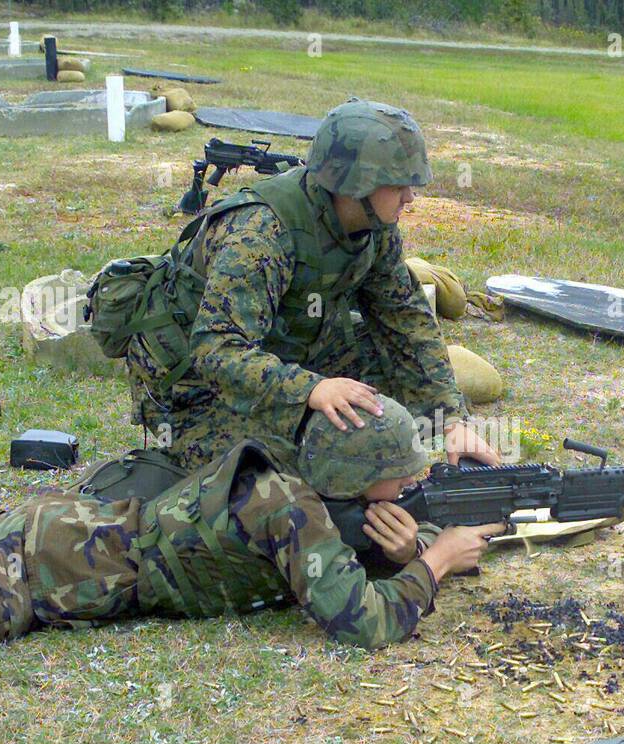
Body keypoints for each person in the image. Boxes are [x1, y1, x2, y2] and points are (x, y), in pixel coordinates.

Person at [0, 398, 503, 672]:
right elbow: (361, 623)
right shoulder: (293, 508)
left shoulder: (295, 481)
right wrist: (435, 564)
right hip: (42, 573)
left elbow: (332, 562)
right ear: (357, 475)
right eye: (400, 474)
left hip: (53, 521)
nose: (414, 481)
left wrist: (403, 552)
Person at [126, 97, 500, 473]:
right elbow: (216, 350)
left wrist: (452, 421)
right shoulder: (260, 233)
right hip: (197, 392)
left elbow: (406, 320)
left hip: (283, 357)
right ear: (356, 185)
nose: (410, 196)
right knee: (289, 471)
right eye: (398, 183)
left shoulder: (374, 227)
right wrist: (310, 391)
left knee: (394, 373)